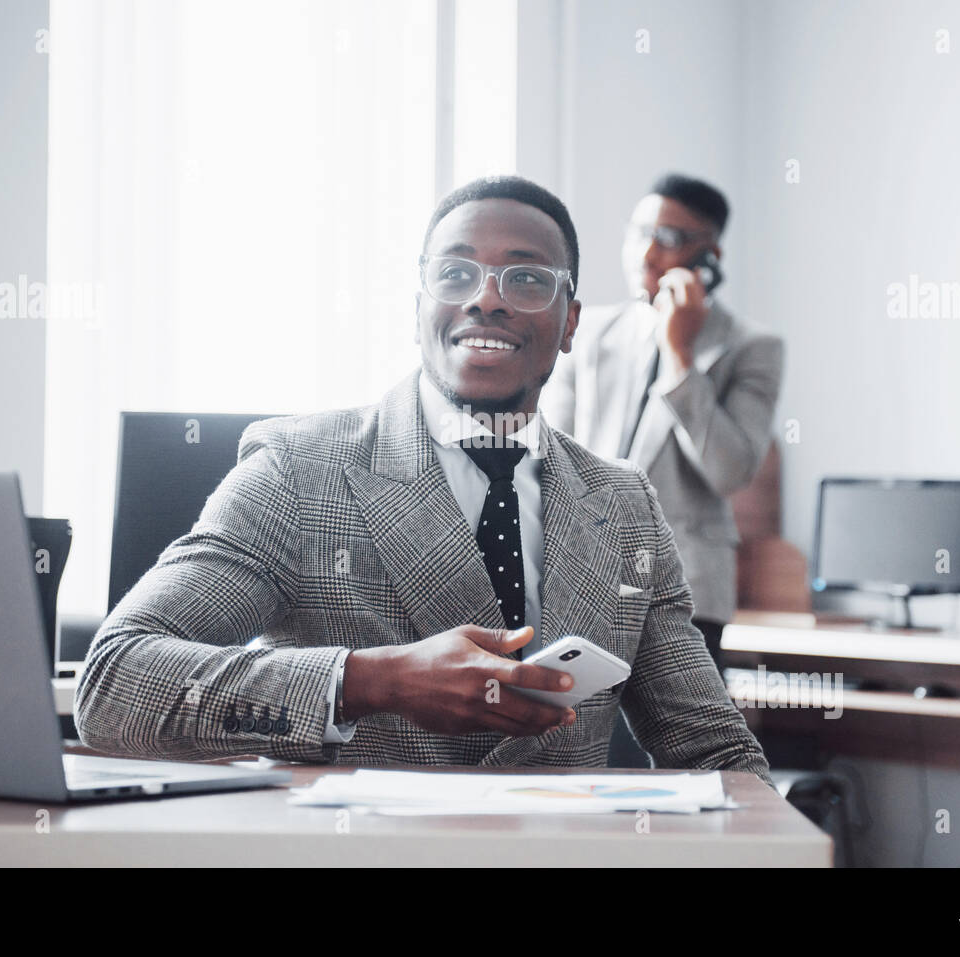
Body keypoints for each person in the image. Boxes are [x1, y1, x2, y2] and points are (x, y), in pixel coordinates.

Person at [74, 175, 771, 785]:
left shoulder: (626, 507)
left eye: (526, 279)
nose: (487, 300)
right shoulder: (299, 469)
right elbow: (113, 683)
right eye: (455, 274)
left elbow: (716, 752)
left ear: (570, 325)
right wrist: (370, 681)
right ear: (417, 308)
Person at [541, 173, 784, 669]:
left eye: (669, 239)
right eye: (639, 232)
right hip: (584, 581)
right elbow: (550, 459)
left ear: (710, 256)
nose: (646, 253)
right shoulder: (587, 335)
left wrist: (679, 357)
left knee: (675, 744)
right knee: (579, 742)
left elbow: (730, 471)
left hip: (687, 592)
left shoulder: (752, 346)